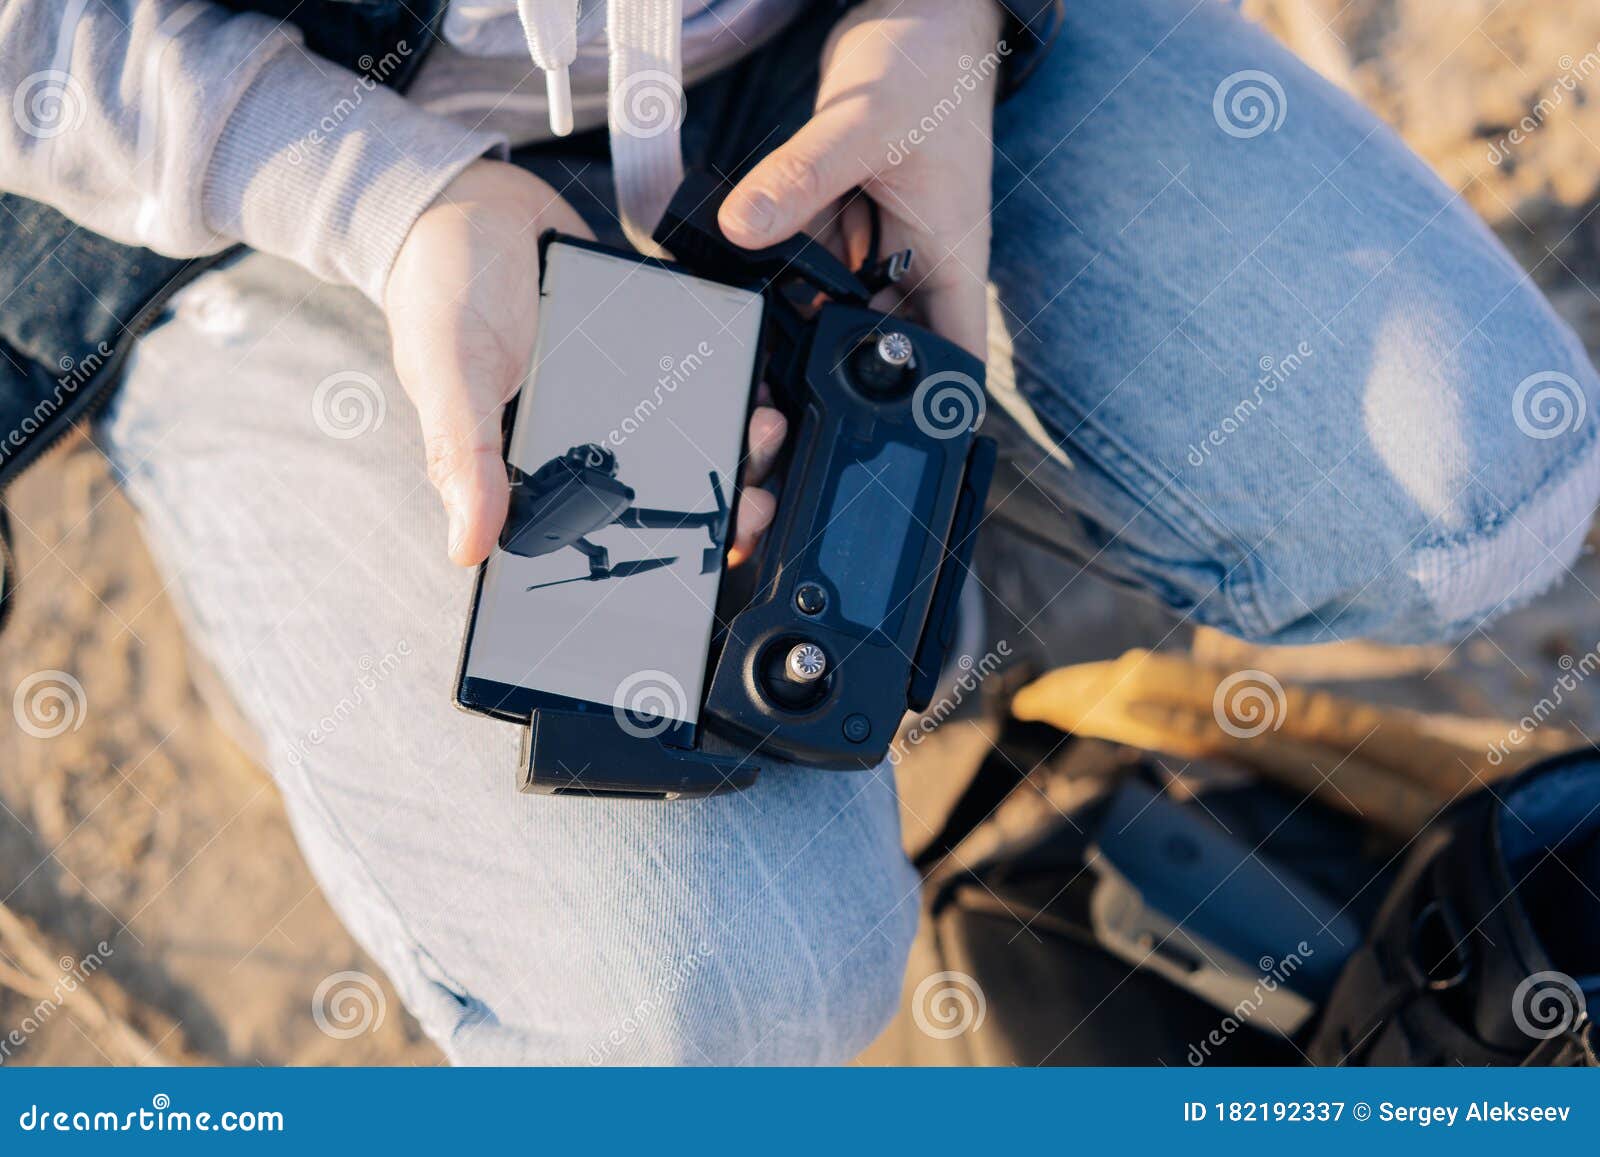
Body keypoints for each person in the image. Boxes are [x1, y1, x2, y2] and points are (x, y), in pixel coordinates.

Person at [0, 0, 1596, 1064]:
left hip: (837, 56)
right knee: (711, 1002)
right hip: (253, 187)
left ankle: (905, 632)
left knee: (1484, 500)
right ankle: (371, 656)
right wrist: (383, 202)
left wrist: (941, 20)